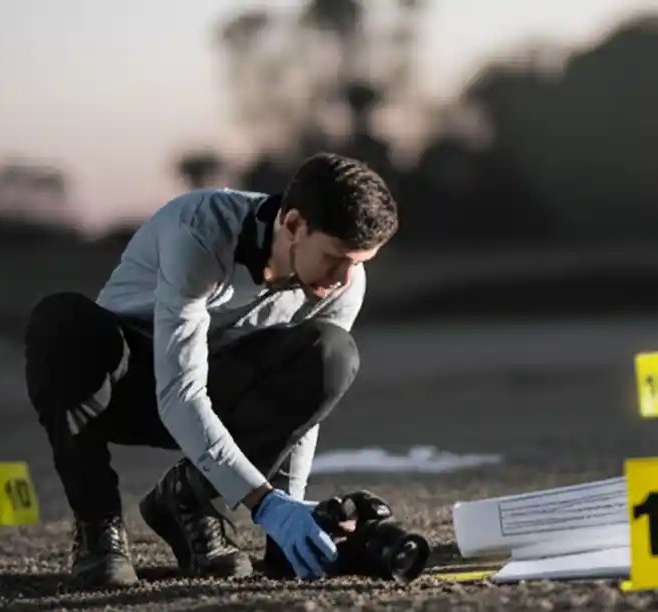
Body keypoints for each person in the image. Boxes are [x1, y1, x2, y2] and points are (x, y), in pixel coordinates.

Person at [22, 152, 398, 589]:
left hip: (220, 392)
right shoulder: (200, 229)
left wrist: (290, 525)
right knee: (62, 324)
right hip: (128, 384)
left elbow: (305, 407)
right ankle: (98, 529)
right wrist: (266, 504)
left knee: (332, 353)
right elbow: (179, 394)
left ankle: (189, 499)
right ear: (294, 225)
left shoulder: (343, 281)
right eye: (337, 257)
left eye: (361, 261)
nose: (347, 278)